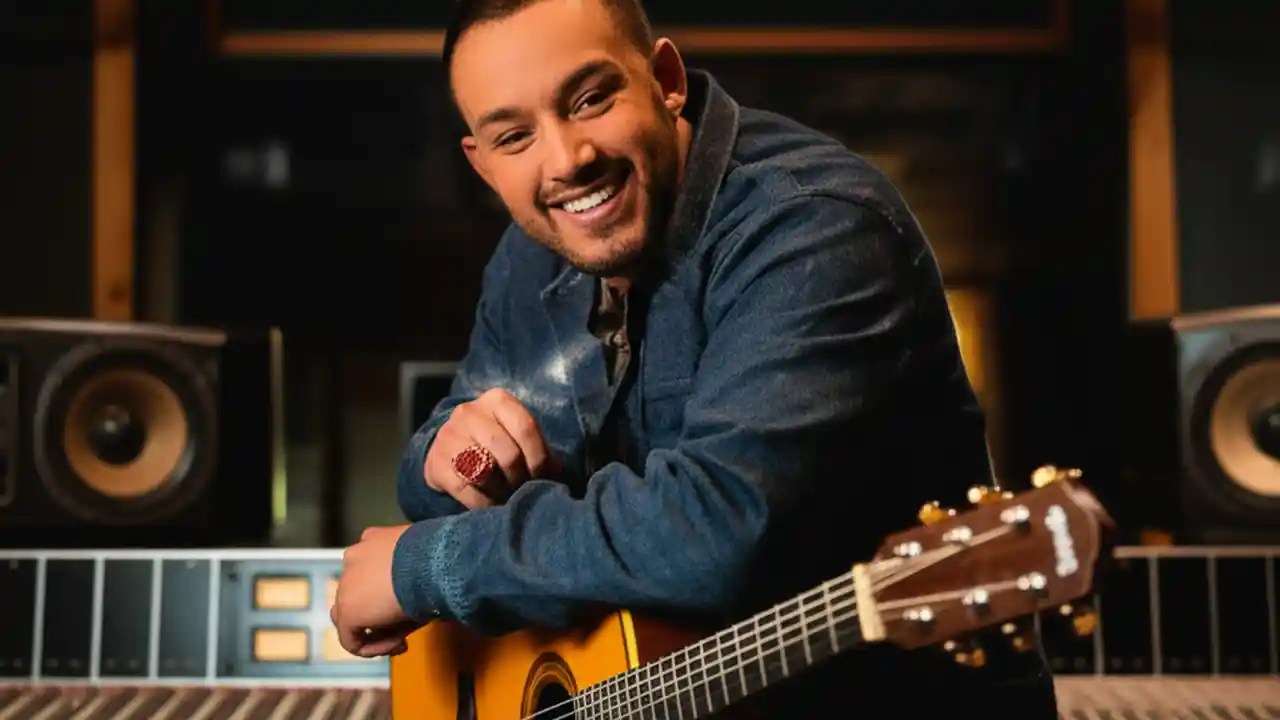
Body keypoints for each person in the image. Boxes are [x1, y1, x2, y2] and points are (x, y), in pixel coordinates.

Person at [330, 0, 1059, 715]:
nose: (567, 159)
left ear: (666, 79)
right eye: (514, 137)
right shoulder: (530, 257)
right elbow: (436, 477)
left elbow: (713, 529)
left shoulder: (816, 227)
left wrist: (433, 565)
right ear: (483, 164)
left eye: (589, 99)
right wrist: (447, 456)